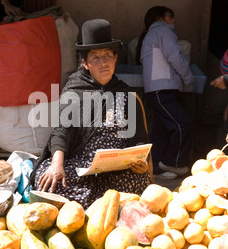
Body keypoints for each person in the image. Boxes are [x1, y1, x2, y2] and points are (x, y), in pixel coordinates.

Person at [30, 19, 152, 209]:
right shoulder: (75, 90)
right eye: (95, 57)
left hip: (115, 170)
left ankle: (91, 206)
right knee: (47, 179)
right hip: (80, 166)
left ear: (115, 58)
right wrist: (56, 164)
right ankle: (103, 206)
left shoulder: (126, 94)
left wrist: (140, 161)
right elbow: (62, 131)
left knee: (139, 179)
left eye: (108, 56)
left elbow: (137, 140)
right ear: (85, 63)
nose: (103, 63)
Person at [137, 6, 194, 180]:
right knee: (183, 124)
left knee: (160, 130)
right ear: (159, 18)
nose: (174, 21)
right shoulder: (162, 30)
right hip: (163, 88)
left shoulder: (152, 34)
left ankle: (155, 167)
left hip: (156, 89)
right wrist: (188, 78)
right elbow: (175, 57)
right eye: (171, 16)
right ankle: (173, 162)